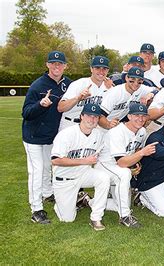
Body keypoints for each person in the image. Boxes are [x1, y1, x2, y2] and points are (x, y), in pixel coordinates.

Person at [22, 51, 72, 224]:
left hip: (52, 135)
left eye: (60, 64)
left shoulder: (68, 84)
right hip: (34, 135)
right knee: (36, 171)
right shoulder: (38, 85)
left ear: (65, 66)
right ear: (47, 65)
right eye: (53, 63)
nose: (56, 66)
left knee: (47, 167)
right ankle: (36, 208)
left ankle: (47, 192)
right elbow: (26, 113)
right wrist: (40, 105)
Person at [50, 103, 110, 230]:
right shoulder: (67, 134)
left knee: (104, 178)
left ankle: (96, 217)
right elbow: (55, 160)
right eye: (88, 115)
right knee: (67, 219)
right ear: (81, 116)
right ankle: (63, 202)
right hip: (64, 179)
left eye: (96, 117)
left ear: (99, 119)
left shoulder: (99, 135)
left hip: (83, 174)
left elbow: (105, 156)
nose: (92, 119)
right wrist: (84, 161)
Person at [97, 103, 156, 228]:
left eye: (143, 116)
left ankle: (91, 201)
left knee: (124, 202)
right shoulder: (117, 132)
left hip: (119, 165)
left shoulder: (142, 131)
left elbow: (135, 149)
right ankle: (124, 217)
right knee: (124, 174)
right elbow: (121, 162)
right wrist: (140, 154)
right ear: (129, 116)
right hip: (105, 164)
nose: (140, 119)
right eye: (136, 115)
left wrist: (136, 162)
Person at [58, 56, 110, 131]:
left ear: (108, 70)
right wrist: (78, 98)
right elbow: (60, 107)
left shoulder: (108, 87)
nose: (101, 71)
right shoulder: (79, 84)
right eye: (97, 68)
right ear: (91, 69)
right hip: (71, 124)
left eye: (104, 69)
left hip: (92, 127)